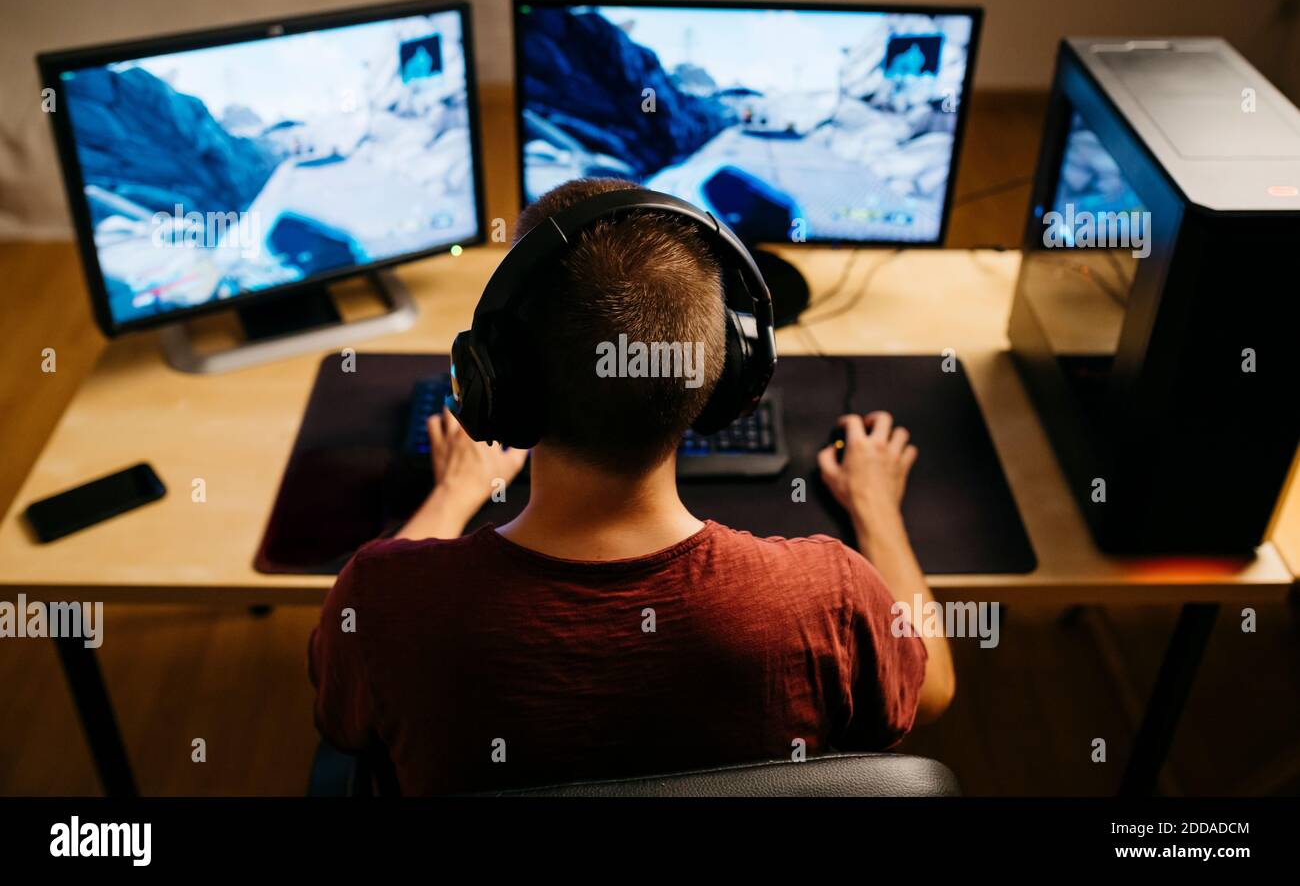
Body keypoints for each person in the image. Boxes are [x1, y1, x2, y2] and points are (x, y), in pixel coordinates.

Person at [309, 178, 955, 794]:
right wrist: (875, 507)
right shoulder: (829, 596)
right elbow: (932, 690)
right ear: (731, 375)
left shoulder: (383, 601)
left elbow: (344, 725)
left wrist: (450, 495)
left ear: (494, 382)